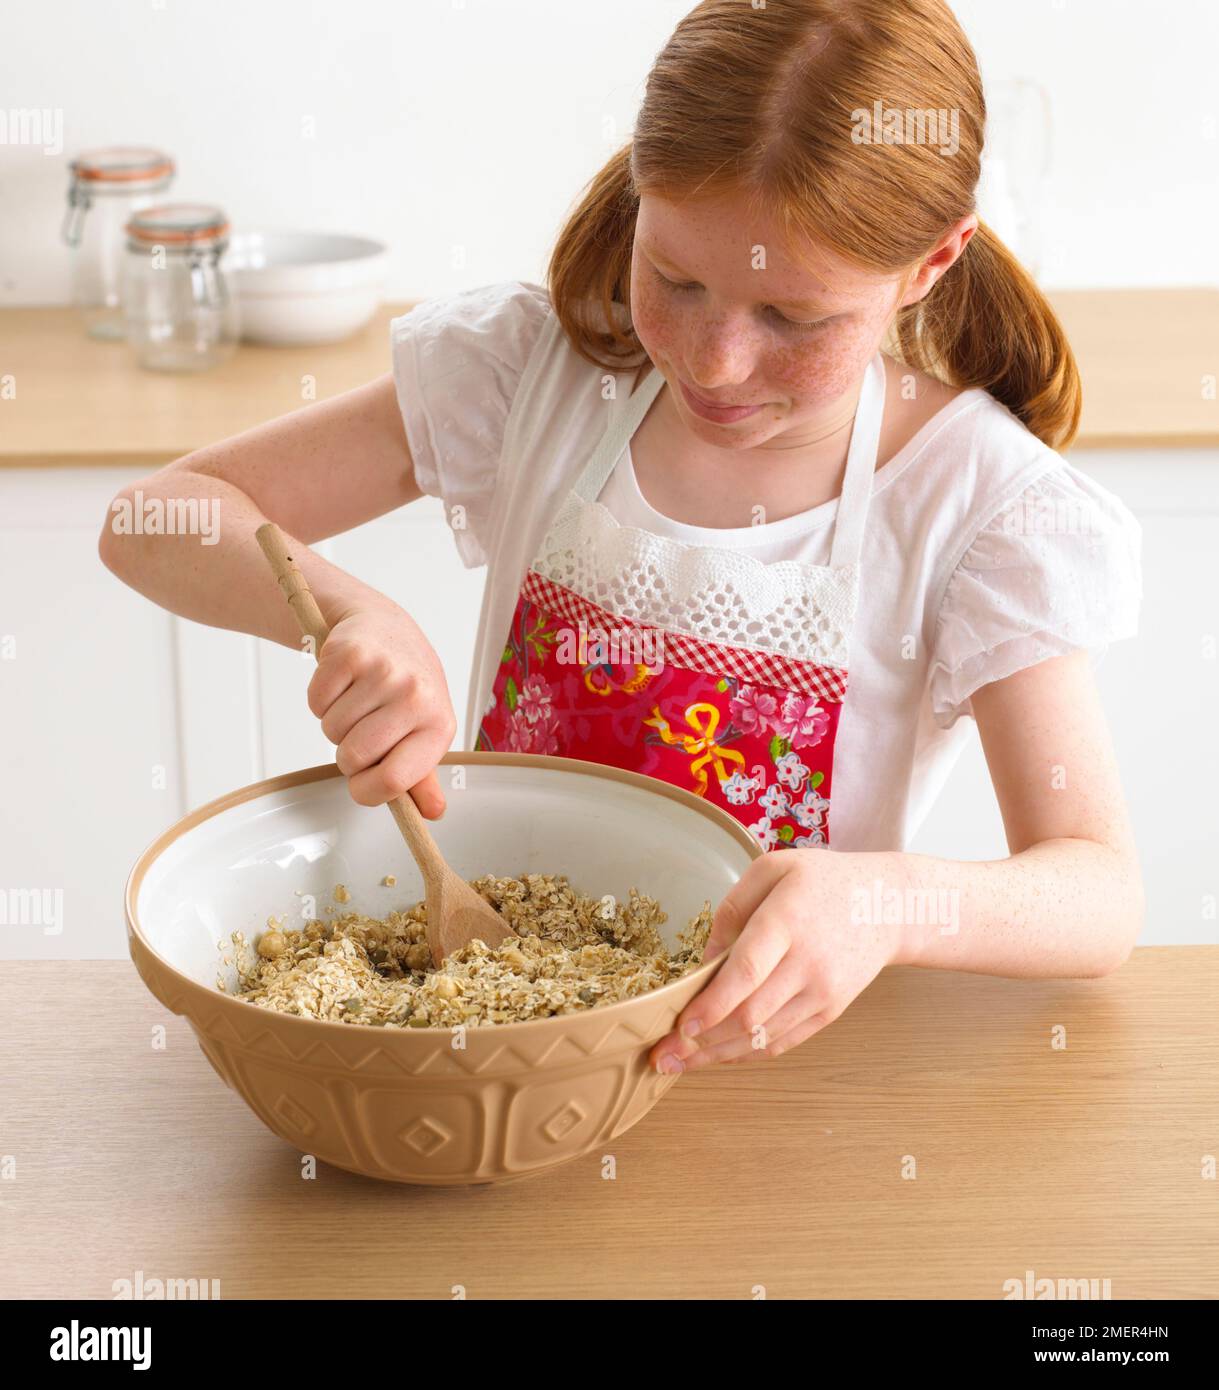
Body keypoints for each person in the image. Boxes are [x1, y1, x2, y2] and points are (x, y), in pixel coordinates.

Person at [99, 0, 1144, 1079]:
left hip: (763, 1083)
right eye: (676, 279)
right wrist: (350, 609)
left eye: (793, 318)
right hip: (488, 1042)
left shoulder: (974, 504)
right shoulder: (531, 375)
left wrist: (888, 901)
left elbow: (1096, 890)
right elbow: (152, 520)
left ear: (931, 263)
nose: (716, 360)